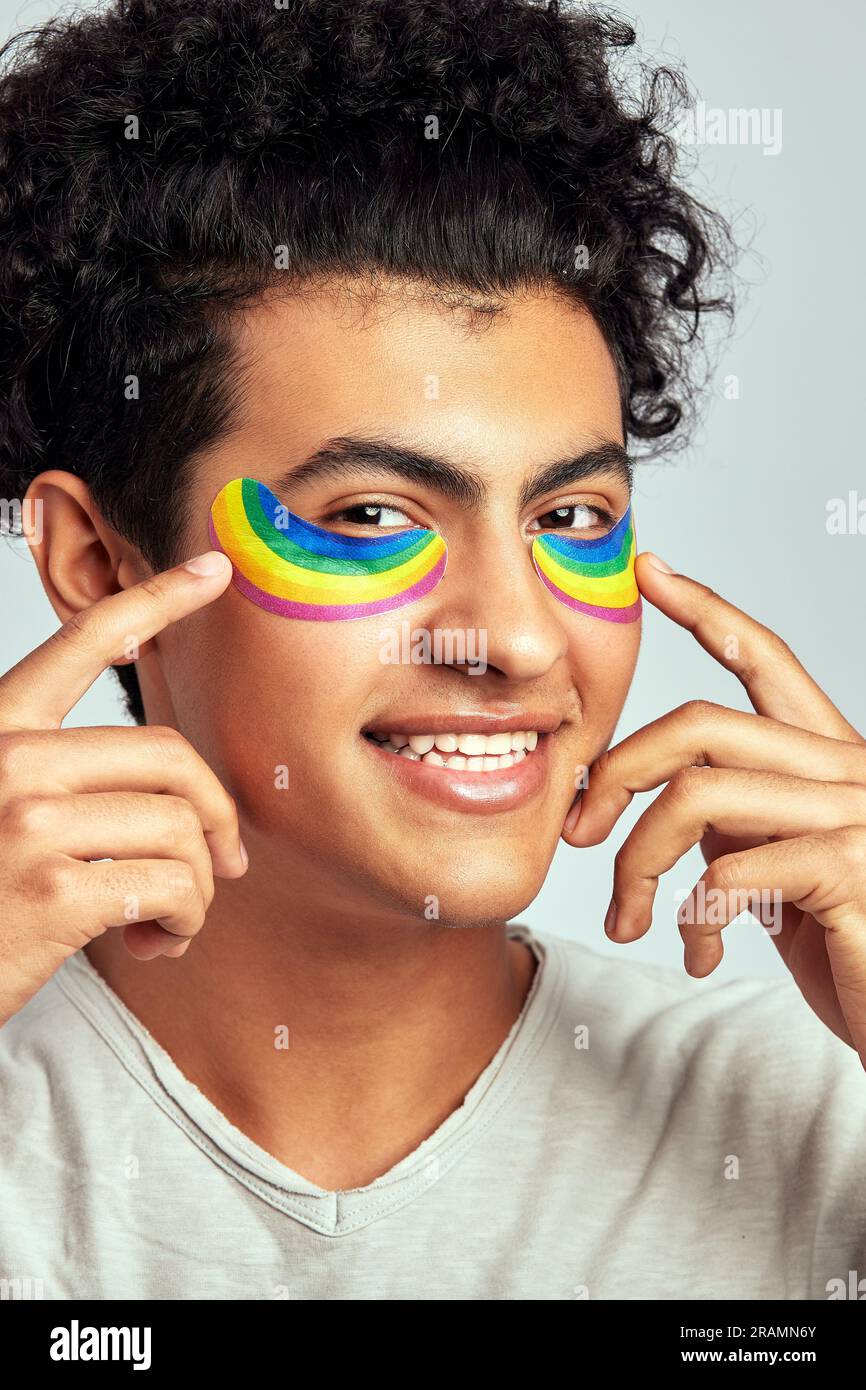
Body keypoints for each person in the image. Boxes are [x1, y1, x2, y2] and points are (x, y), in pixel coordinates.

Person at [1, 0, 865, 1303]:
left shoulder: (813, 1117)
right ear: (98, 560)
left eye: (569, 516)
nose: (516, 637)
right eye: (370, 516)